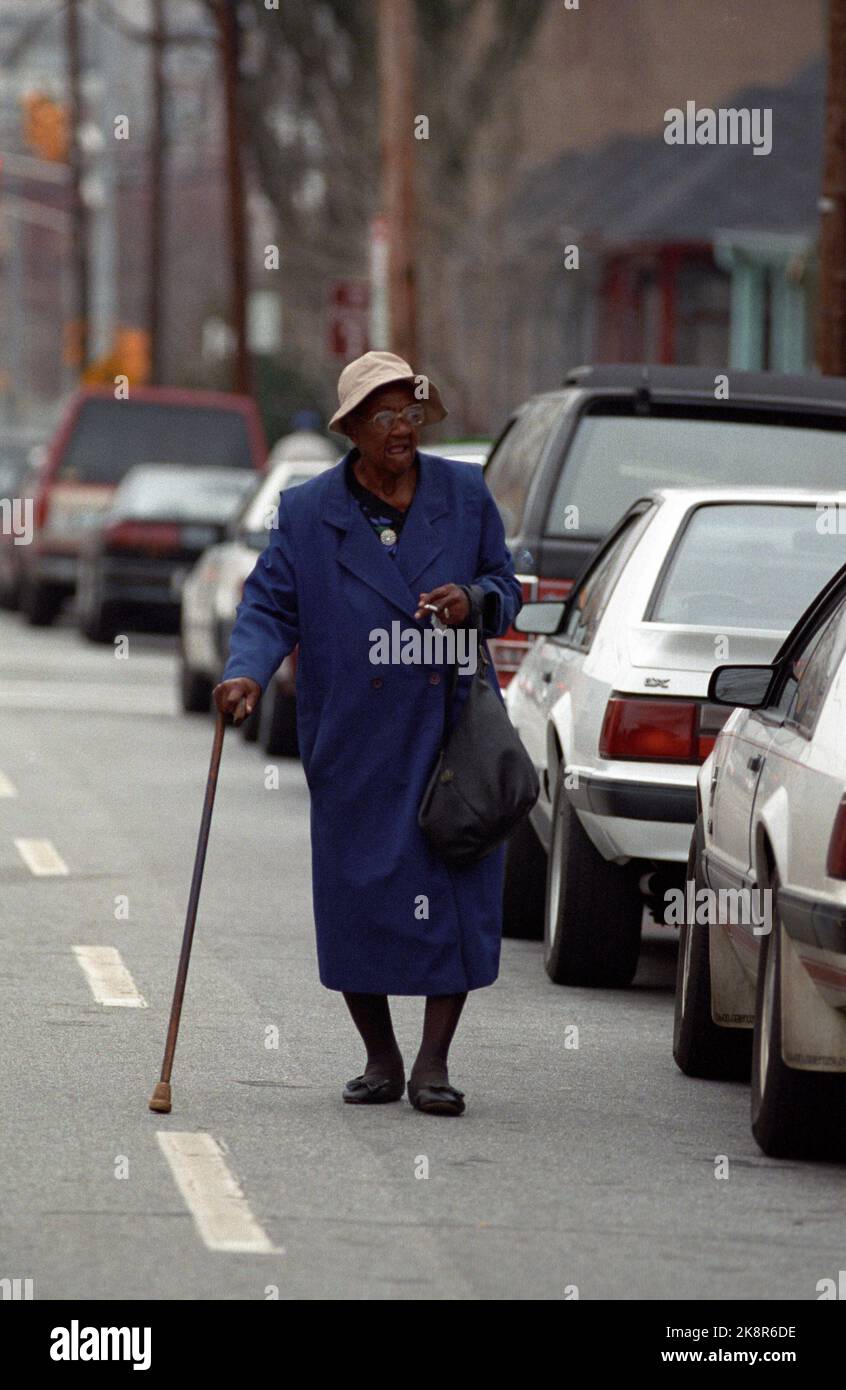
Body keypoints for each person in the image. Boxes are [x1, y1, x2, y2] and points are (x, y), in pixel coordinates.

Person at [214, 350, 522, 1117]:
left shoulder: (463, 491)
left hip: (449, 733)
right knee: (357, 893)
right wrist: (247, 672)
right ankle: (380, 1057)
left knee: (454, 882)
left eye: (411, 412)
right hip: (353, 736)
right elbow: (270, 606)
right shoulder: (309, 510)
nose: (402, 428)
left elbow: (507, 589)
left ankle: (434, 1063)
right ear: (351, 428)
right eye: (384, 415)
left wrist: (473, 602)